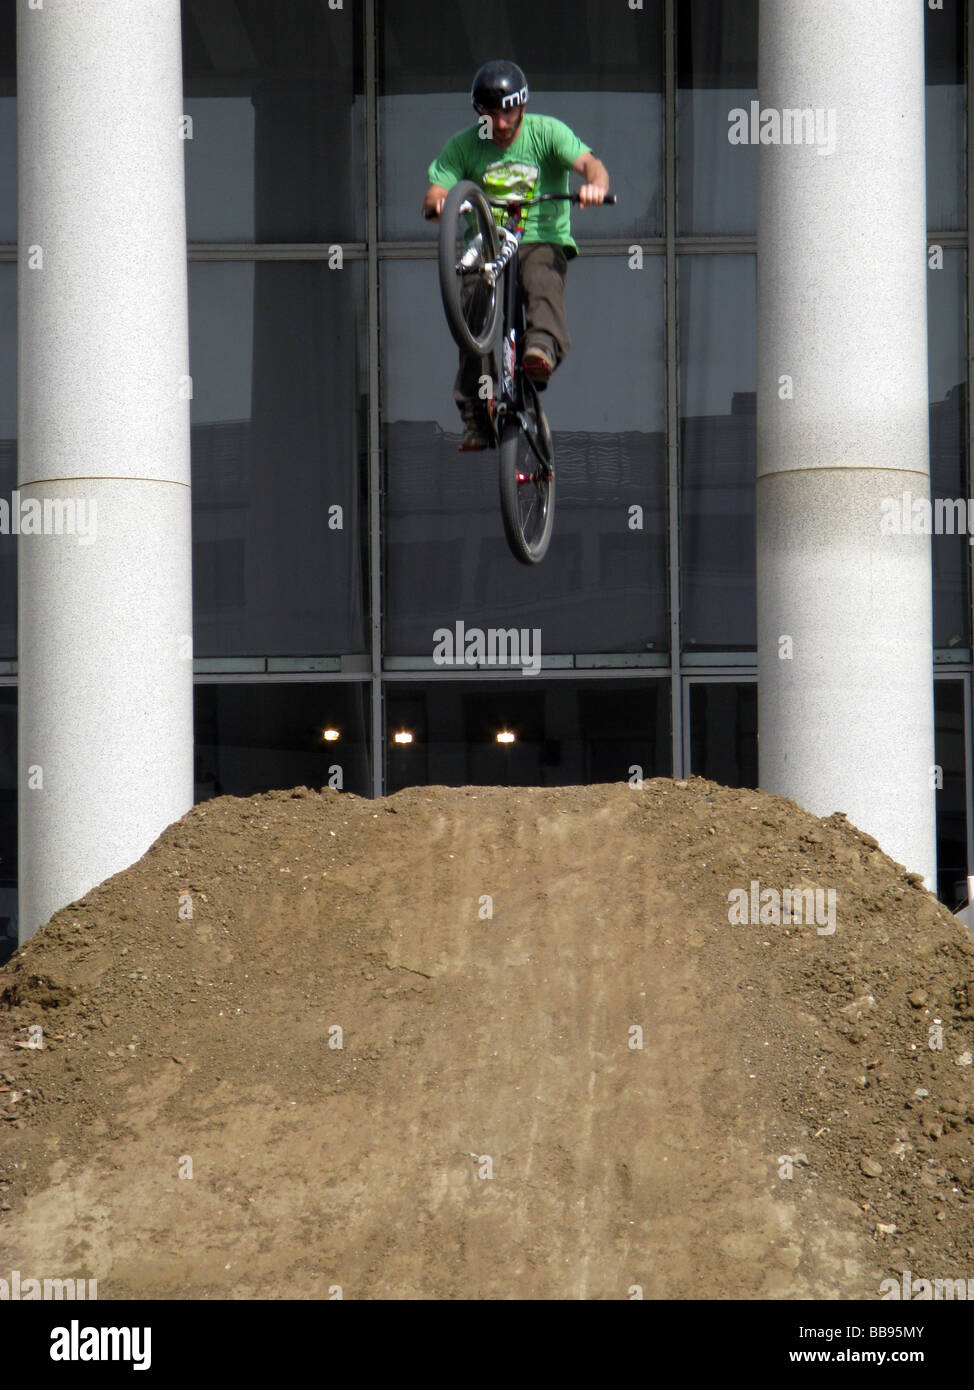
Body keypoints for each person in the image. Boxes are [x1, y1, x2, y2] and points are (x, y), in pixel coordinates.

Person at [423, 60, 610, 450]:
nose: (502, 124)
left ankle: (540, 348)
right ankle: (476, 414)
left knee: (540, 276)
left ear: (522, 107)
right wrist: (441, 202)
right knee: (473, 307)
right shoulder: (464, 145)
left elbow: (591, 165)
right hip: (488, 246)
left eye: (508, 113)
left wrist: (593, 185)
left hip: (539, 236)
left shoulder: (547, 133)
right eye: (492, 116)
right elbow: (437, 189)